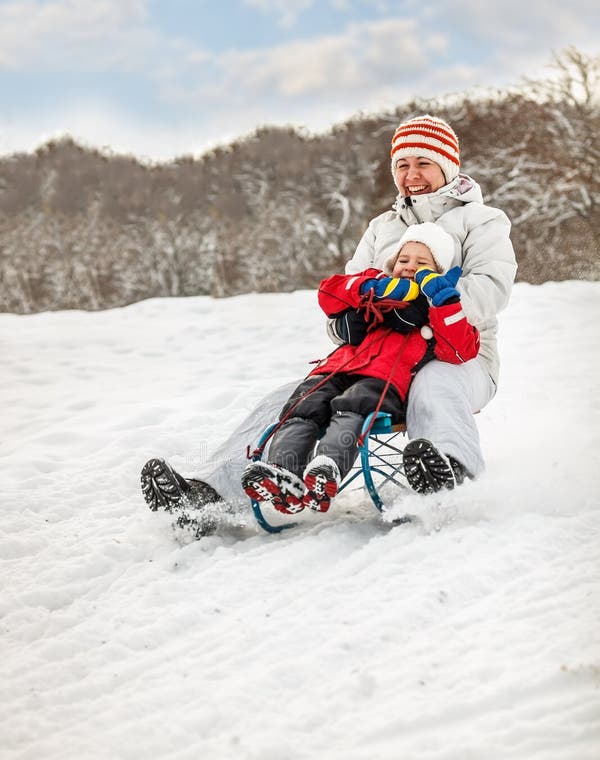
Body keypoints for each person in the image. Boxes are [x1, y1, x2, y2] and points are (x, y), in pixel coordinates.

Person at [140, 114, 516, 525]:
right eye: (402, 166)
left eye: (423, 163)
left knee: (434, 384)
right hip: (376, 361)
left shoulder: (481, 221)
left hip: (458, 357)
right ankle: (209, 493)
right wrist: (344, 325)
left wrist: (418, 302)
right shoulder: (383, 227)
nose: (412, 175)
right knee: (294, 397)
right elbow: (348, 290)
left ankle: (450, 476)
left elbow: (490, 289)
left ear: (447, 166)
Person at [240, 222, 479, 514]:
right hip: (336, 370)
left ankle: (326, 468)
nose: (409, 267)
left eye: (422, 263)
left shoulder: (435, 307)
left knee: (353, 405)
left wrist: (444, 302)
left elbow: (461, 350)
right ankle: (283, 472)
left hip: (384, 380)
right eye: (403, 260)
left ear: (438, 271)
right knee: (303, 406)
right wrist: (369, 287)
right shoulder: (376, 286)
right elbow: (329, 291)